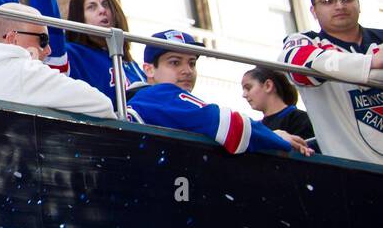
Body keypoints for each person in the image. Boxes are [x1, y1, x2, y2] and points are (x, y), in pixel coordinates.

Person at [129, 31, 310, 156]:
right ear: (149, 70)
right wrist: (276, 138)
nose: (187, 71)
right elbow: (230, 126)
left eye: (192, 63)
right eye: (175, 63)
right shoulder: (161, 95)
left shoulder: (142, 98)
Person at [279, 0, 383, 164]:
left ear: (358, 4)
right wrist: (373, 63)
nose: (340, 6)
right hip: (354, 174)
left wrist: (336, 69)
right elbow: (297, 68)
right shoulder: (305, 41)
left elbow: (315, 64)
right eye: (328, 1)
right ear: (314, 11)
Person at [0, 3, 115, 118]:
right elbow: (102, 106)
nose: (48, 50)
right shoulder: (23, 72)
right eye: (42, 40)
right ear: (12, 39)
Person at [64, 0, 145, 107]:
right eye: (92, 7)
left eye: (106, 4)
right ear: (80, 17)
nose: (102, 10)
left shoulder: (131, 63)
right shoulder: (72, 53)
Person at [241, 67, 315, 142]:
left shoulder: (300, 119)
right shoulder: (257, 126)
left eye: (248, 88)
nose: (244, 95)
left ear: (268, 86)